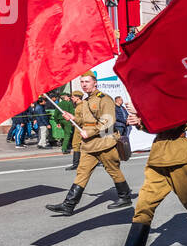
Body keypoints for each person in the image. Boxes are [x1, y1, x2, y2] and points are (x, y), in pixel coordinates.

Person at [45, 72, 131, 215]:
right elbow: (83, 121)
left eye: (87, 82)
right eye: (82, 82)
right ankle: (68, 205)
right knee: (82, 173)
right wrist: (72, 117)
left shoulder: (104, 99)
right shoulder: (85, 101)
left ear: (95, 83)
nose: (84, 84)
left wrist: (90, 132)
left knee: (113, 170)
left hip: (104, 143)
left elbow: (108, 121)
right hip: (89, 145)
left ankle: (125, 197)